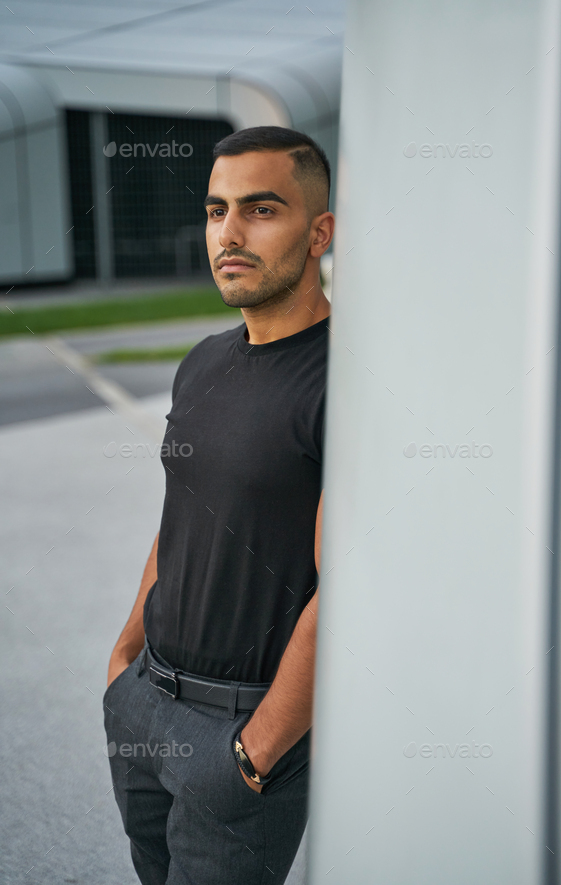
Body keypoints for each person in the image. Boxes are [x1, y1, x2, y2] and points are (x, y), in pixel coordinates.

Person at [103, 125, 334, 885]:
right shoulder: (202, 360)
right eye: (214, 210)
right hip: (145, 706)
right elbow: (179, 518)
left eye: (261, 210)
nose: (228, 234)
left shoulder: (345, 382)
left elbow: (347, 593)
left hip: (238, 739)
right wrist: (124, 663)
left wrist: (256, 751)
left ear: (319, 231)